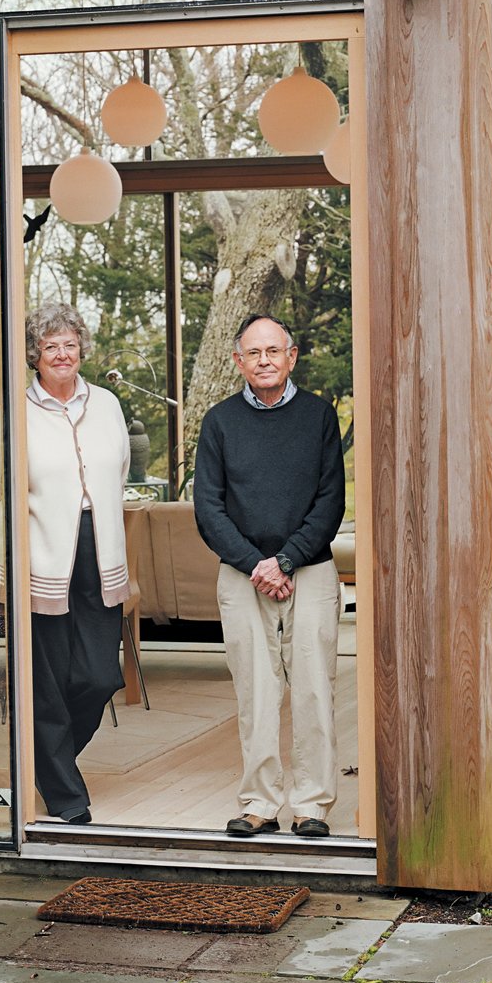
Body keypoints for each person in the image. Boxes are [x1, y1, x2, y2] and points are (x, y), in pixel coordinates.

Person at [0, 301, 130, 824]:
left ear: (81, 349)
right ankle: (65, 794)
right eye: (49, 346)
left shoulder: (106, 405)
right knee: (49, 683)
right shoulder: (11, 418)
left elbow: (119, 472)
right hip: (41, 560)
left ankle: (46, 761)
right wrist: (6, 562)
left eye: (69, 344)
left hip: (100, 553)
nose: (61, 354)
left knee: (100, 676)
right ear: (34, 356)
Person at [192, 313, 346, 839]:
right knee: (255, 693)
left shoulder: (320, 417)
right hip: (242, 575)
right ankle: (259, 803)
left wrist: (284, 561)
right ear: (238, 361)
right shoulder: (219, 423)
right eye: (253, 353)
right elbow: (208, 509)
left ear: (291, 356)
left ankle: (311, 807)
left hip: (310, 571)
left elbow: (330, 502)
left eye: (273, 351)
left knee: (313, 691)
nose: (263, 361)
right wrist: (256, 565)